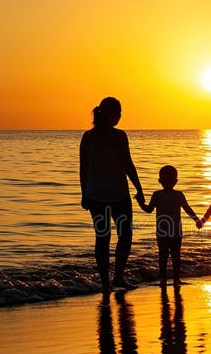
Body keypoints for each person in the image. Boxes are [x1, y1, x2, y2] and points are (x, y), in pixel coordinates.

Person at [80, 97, 144, 292]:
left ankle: (109, 282)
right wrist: (139, 189)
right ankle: (116, 278)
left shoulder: (88, 137)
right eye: (118, 112)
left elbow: (84, 169)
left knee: (103, 237)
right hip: (117, 195)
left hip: (97, 195)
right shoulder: (118, 136)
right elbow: (128, 164)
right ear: (110, 114)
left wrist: (84, 194)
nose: (120, 116)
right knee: (124, 235)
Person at [136, 165, 201, 287]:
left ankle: (166, 280)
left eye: (169, 181)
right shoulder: (170, 195)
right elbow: (188, 210)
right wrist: (197, 220)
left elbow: (148, 209)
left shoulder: (162, 195)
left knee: (166, 256)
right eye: (167, 181)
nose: (168, 183)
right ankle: (172, 279)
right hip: (171, 231)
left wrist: (197, 220)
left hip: (168, 231)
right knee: (171, 256)